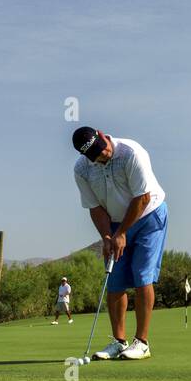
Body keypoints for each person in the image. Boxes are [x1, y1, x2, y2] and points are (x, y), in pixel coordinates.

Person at [72, 126, 169, 361]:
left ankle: (142, 343)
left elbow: (142, 197)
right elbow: (95, 208)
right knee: (114, 280)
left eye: (102, 147)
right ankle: (118, 342)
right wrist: (107, 237)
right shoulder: (82, 169)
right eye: (96, 154)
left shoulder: (131, 153)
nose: (103, 153)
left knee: (141, 274)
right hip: (114, 223)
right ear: (86, 156)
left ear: (102, 134)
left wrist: (122, 232)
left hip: (149, 215)